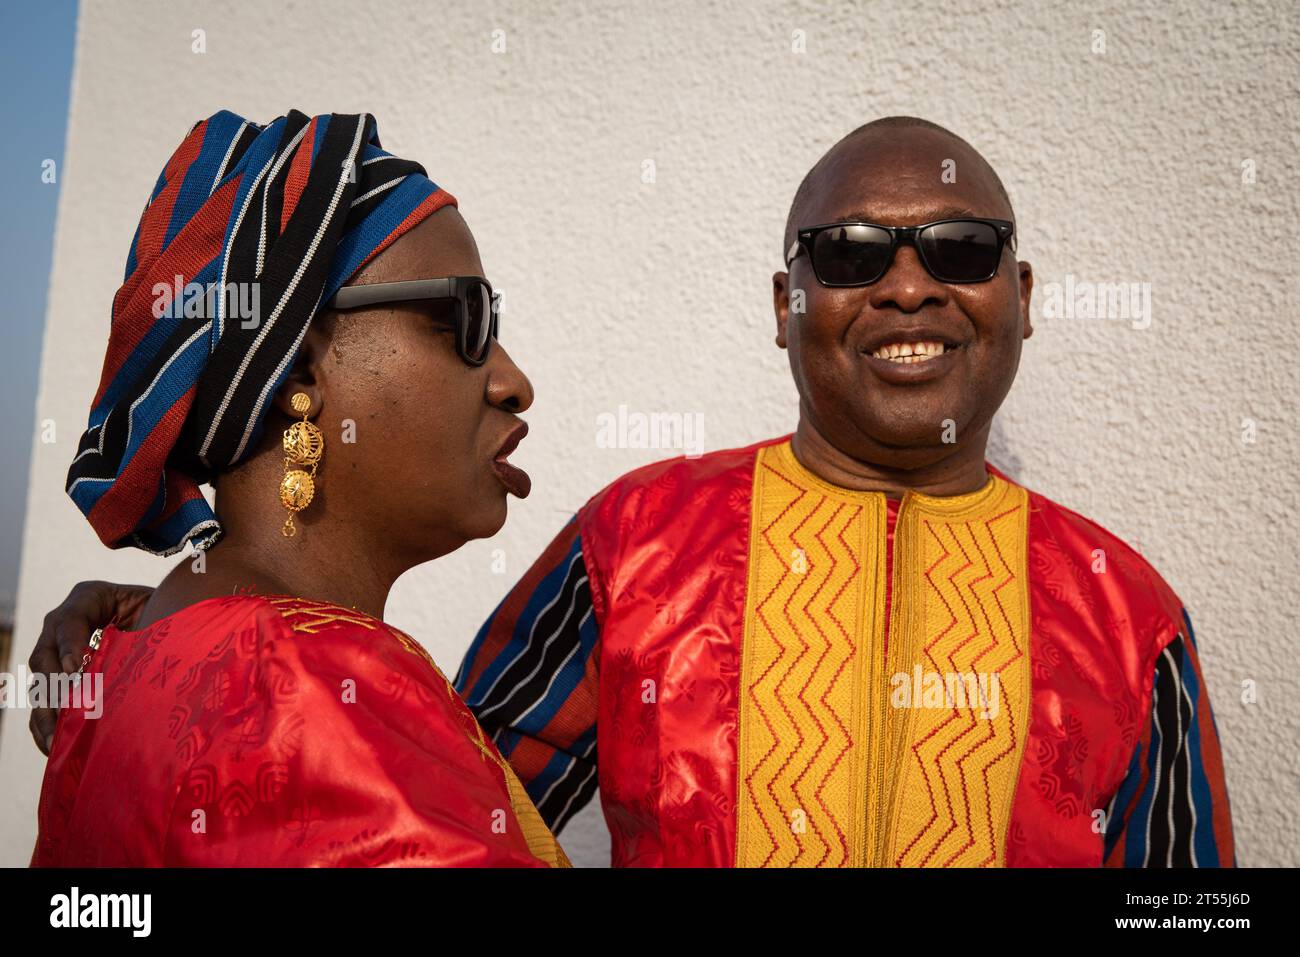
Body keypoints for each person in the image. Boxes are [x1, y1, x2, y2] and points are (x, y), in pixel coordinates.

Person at [31, 117, 1234, 868]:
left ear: (1018, 294)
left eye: (960, 251)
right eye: (850, 256)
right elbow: (427, 780)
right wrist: (196, 631)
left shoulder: (1127, 612)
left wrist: (194, 618)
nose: (909, 287)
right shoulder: (637, 539)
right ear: (784, 305)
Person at [28, 109, 567, 868]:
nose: (514, 383)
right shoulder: (323, 706)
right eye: (462, 319)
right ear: (299, 367)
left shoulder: (121, 667)